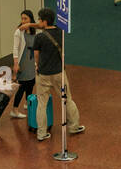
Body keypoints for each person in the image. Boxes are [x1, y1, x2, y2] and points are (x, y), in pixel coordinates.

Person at [19, 8, 84, 143]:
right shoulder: (60, 32)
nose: (37, 22)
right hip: (59, 73)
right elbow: (43, 25)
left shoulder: (39, 37)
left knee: (41, 104)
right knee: (67, 99)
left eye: (39, 20)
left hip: (43, 74)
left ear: (44, 21)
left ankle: (41, 133)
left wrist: (38, 66)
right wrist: (30, 25)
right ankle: (74, 126)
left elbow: (36, 55)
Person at [9, 9, 37, 119]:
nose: (23, 21)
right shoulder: (19, 32)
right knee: (22, 85)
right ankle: (14, 110)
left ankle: (28, 102)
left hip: (31, 61)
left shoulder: (34, 30)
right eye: (22, 18)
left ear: (31, 19)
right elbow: (15, 48)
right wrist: (16, 64)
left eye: (26, 18)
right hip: (23, 61)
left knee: (31, 82)